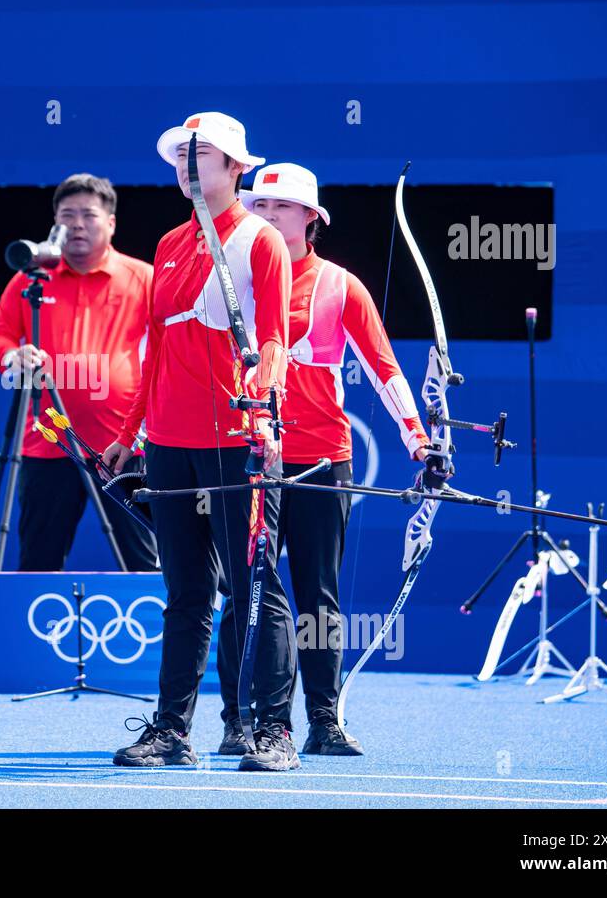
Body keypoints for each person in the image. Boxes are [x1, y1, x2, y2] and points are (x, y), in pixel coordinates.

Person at [102, 112, 297, 771]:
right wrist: (131, 432)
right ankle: (170, 730)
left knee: (255, 588)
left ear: (237, 166)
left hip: (238, 437)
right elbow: (155, 346)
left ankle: (271, 730)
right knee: (185, 591)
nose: (187, 164)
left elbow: (272, 339)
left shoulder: (261, 240)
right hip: (170, 441)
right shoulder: (167, 243)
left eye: (202, 154)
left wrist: (263, 413)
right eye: (181, 155)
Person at [236, 164, 432, 755]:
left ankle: (323, 719)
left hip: (321, 457)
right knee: (254, 589)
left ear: (311, 219)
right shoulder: (232, 282)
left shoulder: (340, 286)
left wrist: (418, 441)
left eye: (281, 208)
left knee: (317, 593)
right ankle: (253, 722)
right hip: (251, 457)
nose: (267, 217)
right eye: (259, 207)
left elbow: (382, 368)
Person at [0, 173, 157, 571]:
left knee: (144, 564)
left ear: (110, 223)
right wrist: (13, 357)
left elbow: (171, 345)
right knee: (39, 562)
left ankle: (157, 636)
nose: (77, 224)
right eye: (67, 215)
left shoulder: (142, 278)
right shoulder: (30, 280)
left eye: (88, 215)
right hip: (48, 443)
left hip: (123, 446)